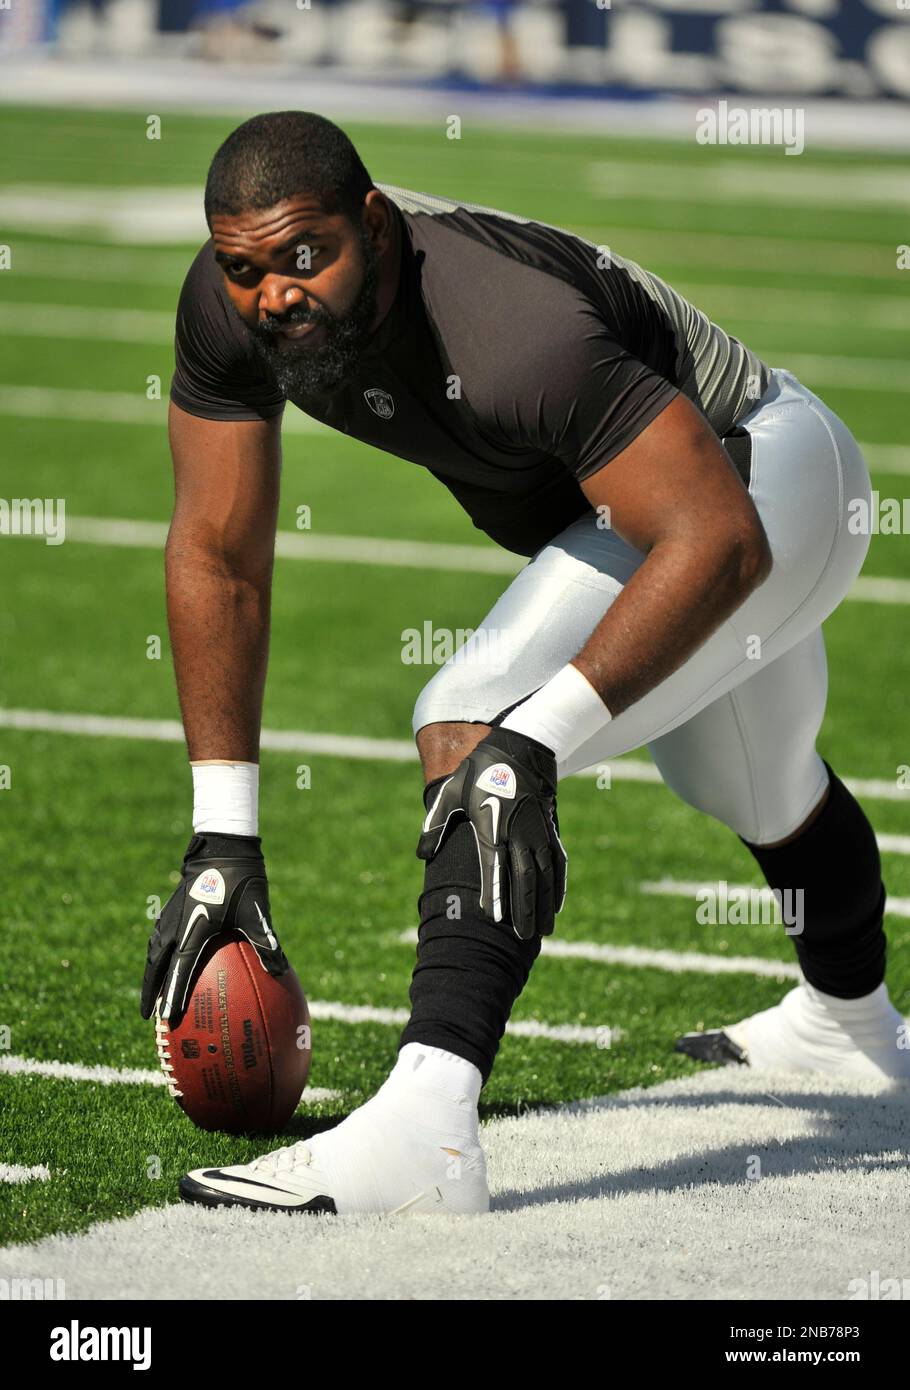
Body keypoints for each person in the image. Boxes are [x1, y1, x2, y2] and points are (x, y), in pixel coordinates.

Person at [140, 110, 907, 1218]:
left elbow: (720, 538)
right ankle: (851, 1021)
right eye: (245, 268)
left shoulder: (507, 327)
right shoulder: (228, 306)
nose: (275, 294)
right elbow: (218, 553)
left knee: (472, 720)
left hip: (758, 482)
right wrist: (223, 834)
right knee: (750, 781)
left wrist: (533, 740)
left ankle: (427, 1129)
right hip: (676, 503)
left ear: (376, 224)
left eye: (307, 256)